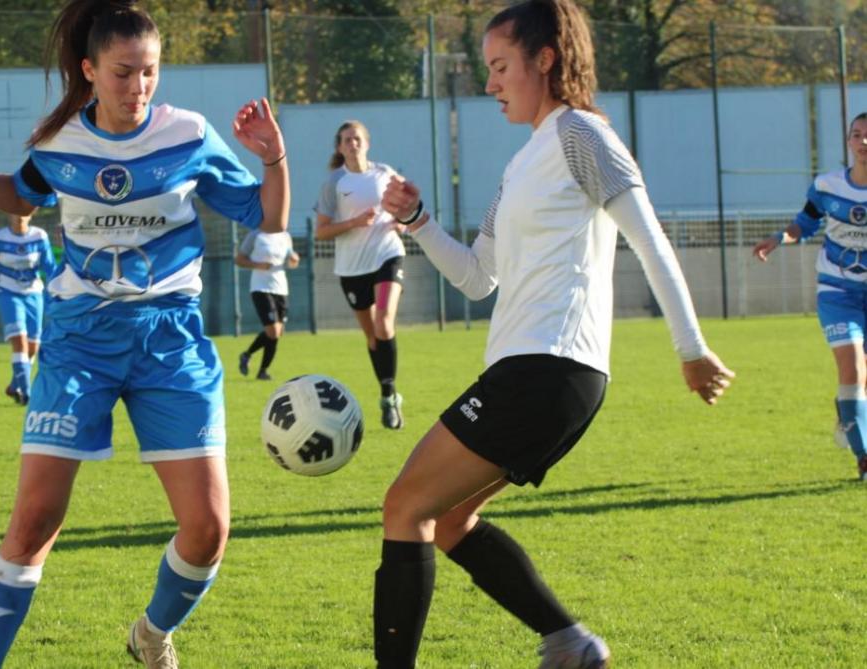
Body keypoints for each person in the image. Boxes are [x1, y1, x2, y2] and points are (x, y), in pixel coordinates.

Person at [369, 2, 735, 668]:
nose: (489, 84)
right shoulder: (520, 165)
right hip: (535, 373)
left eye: (500, 66)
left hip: (548, 369)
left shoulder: (580, 135)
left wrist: (691, 348)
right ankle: (568, 641)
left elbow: (649, 241)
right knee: (447, 519)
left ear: (545, 59)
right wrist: (419, 221)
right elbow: (479, 278)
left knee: (405, 504)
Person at [0, 1, 288, 667]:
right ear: (90, 70)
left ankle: (150, 633)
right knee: (33, 520)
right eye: (123, 73)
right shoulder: (58, 139)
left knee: (207, 530)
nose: (138, 88)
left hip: (169, 340)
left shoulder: (188, 135)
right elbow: (22, 197)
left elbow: (266, 216)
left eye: (148, 72)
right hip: (78, 341)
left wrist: (273, 158)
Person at [753, 111, 867, 482]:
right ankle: (864, 460)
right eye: (857, 135)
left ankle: (848, 411)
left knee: (862, 381)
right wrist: (779, 238)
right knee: (851, 369)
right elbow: (805, 221)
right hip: (837, 291)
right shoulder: (828, 185)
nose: (863, 142)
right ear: (848, 142)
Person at [314, 120, 408, 429]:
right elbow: (322, 232)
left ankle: (390, 399)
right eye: (346, 140)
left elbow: (407, 206)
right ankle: (386, 392)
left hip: (387, 255)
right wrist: (353, 223)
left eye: (357, 138)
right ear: (340, 148)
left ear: (366, 143)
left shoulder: (385, 173)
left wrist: (402, 223)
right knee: (372, 337)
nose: (352, 144)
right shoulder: (334, 184)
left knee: (384, 323)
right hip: (352, 269)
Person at [0, 213, 56, 405]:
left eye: (24, 211)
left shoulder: (40, 237)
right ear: (8, 214)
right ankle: (26, 394)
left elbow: (50, 268)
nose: (19, 215)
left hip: (34, 294)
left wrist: (59, 293)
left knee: (33, 347)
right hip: (8, 293)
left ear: (31, 215)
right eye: (14, 210)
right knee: (19, 341)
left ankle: (14, 386)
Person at [234, 228, 299, 380]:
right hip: (261, 287)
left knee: (278, 332)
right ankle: (250, 357)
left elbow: (290, 260)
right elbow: (239, 260)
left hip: (281, 288)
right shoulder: (255, 235)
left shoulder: (285, 236)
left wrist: (294, 260)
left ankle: (261, 370)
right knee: (273, 331)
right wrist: (258, 265)